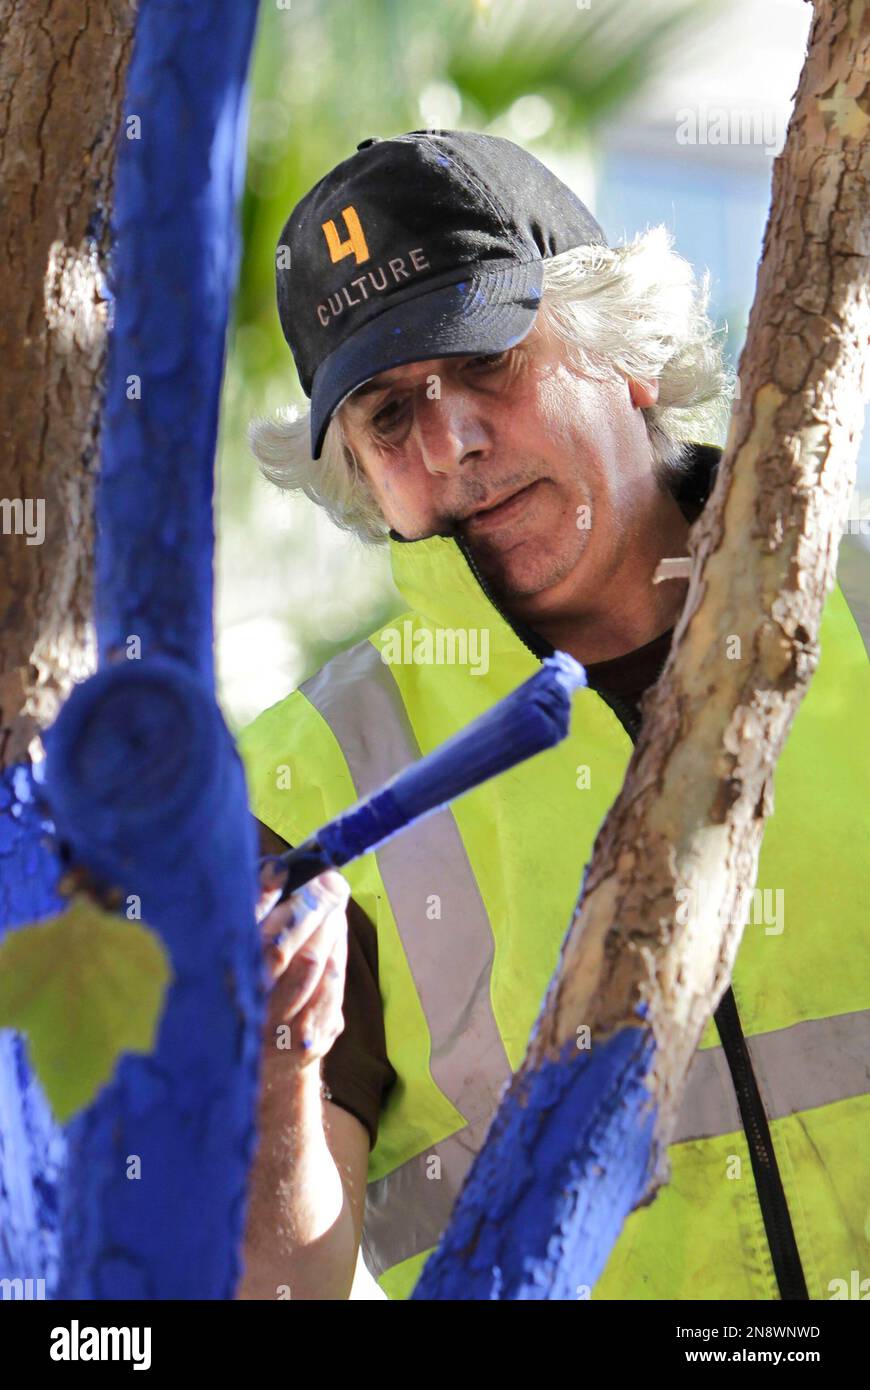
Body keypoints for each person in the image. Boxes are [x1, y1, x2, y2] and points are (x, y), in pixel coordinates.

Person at [236, 131, 869, 1302]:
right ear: (360, 477)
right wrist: (274, 1073)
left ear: (623, 349)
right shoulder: (299, 785)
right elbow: (275, 1284)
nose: (452, 441)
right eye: (388, 415)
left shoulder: (864, 609)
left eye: (487, 360)